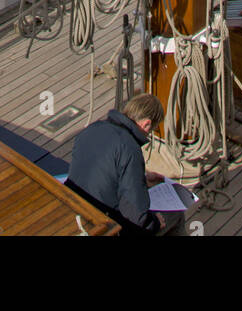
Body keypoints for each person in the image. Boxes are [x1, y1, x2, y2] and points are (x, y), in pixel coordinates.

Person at [65, 93, 167, 236]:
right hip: (101, 222)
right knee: (174, 218)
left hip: (72, 207)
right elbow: (136, 216)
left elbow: (102, 173)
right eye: (152, 129)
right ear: (146, 124)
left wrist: (141, 180)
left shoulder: (93, 128)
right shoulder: (130, 149)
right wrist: (155, 222)